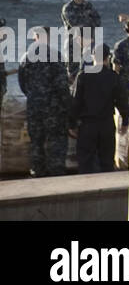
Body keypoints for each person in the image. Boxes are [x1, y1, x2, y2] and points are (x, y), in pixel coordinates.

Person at [17, 26, 70, 177]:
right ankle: (56, 172)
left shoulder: (26, 57)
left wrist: (33, 96)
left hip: (34, 106)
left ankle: (37, 172)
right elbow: (62, 86)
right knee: (57, 140)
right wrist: (68, 106)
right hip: (53, 108)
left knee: (36, 141)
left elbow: (22, 83)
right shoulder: (55, 56)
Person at [69, 44, 129, 173]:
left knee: (85, 162)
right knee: (106, 162)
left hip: (87, 125)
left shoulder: (83, 76)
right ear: (108, 57)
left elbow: (75, 102)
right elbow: (122, 101)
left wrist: (72, 124)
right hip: (106, 123)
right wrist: (125, 120)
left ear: (92, 57)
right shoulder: (113, 77)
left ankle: (87, 188)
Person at [61, 0, 102, 81]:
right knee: (73, 72)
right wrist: (88, 21)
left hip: (89, 42)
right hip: (74, 43)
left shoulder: (88, 6)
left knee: (90, 70)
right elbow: (74, 24)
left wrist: (87, 24)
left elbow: (98, 21)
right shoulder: (68, 8)